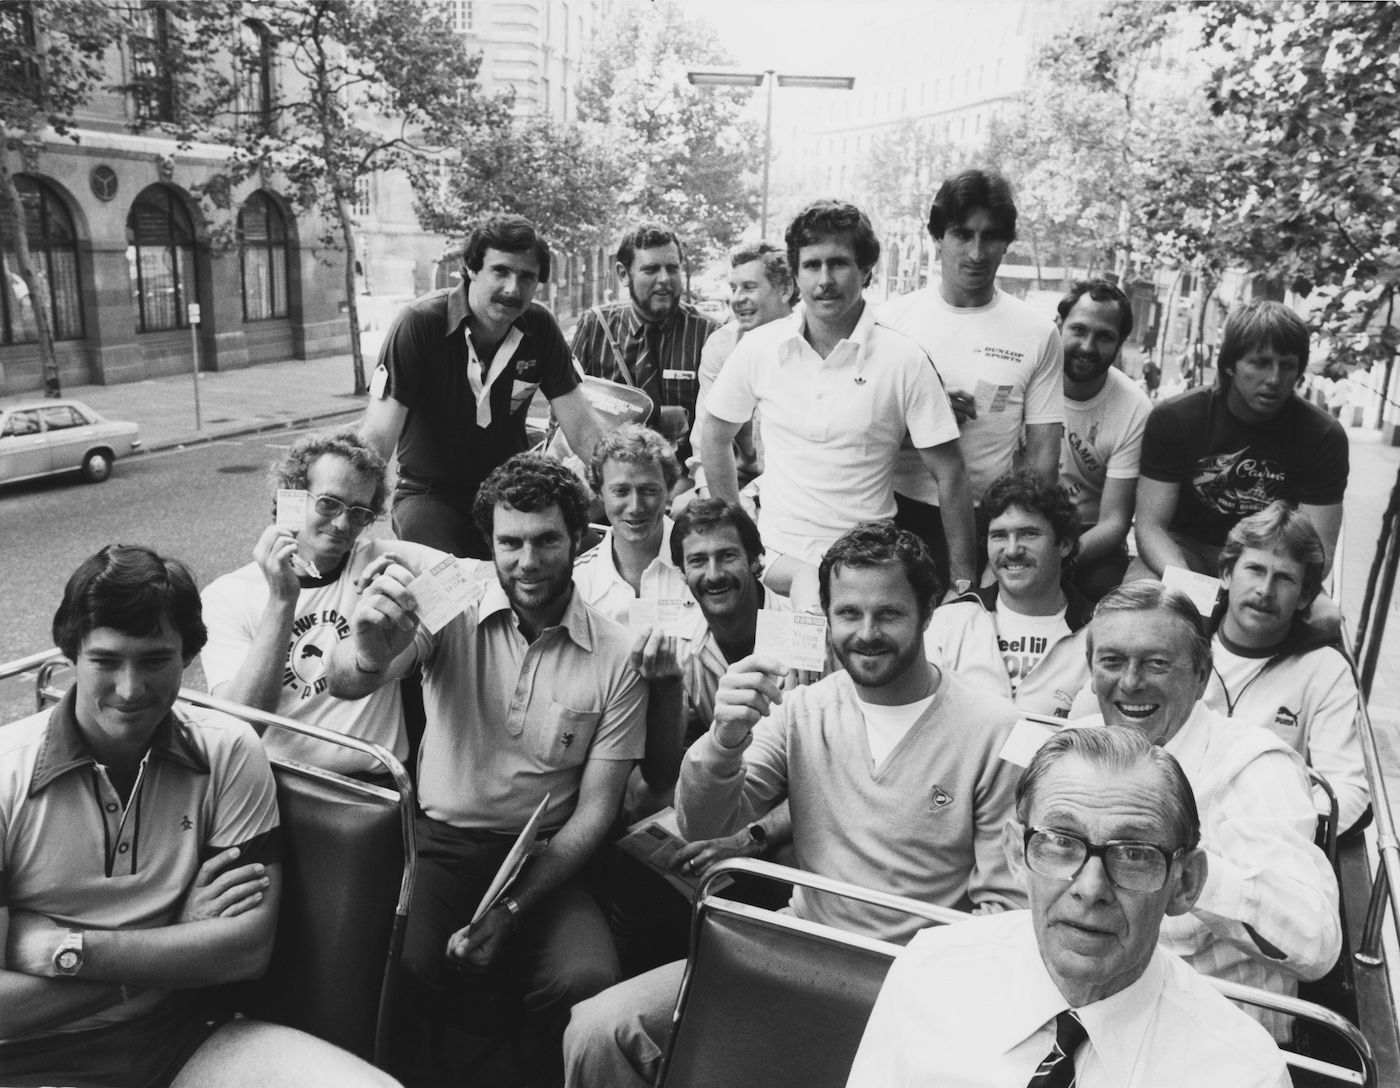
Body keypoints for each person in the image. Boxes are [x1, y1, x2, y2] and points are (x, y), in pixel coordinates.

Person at [563, 522, 1025, 1088]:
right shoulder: (804, 709)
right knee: (599, 1030)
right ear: (826, 617)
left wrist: (924, 1002)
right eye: (849, 614)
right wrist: (724, 739)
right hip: (794, 950)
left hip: (912, 979)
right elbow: (703, 821)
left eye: (889, 614)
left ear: (929, 612)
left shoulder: (992, 730)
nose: (867, 633)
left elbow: (1002, 913)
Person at [0, 546, 396, 1088]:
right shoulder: (6, 774)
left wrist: (65, 949)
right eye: (106, 661)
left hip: (177, 1035)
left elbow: (244, 951)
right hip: (23, 1057)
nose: (130, 688)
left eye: (156, 660)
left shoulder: (227, 749)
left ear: (188, 656)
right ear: (71, 654)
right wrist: (177, 940)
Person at [326, 454, 647, 1086]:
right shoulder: (452, 592)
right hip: (441, 848)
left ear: (579, 539)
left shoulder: (618, 652)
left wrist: (512, 908)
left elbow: (595, 813)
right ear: (490, 544)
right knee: (406, 971)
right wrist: (365, 648)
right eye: (511, 542)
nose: (528, 562)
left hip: (546, 864)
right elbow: (347, 679)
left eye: (547, 540)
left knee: (585, 982)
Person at [847, 726, 1289, 1088]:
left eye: (1134, 853)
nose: (1090, 888)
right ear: (1018, 856)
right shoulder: (929, 975)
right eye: (1060, 842)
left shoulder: (1242, 1073)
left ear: (1185, 883)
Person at [1082, 580, 1341, 1038]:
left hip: (1216, 1036)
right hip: (1092, 1018)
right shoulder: (1076, 749)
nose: (1129, 682)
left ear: (1201, 676)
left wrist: (1194, 878)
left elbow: (1315, 944)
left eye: (1157, 663)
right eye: (1112, 661)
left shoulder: (1252, 766)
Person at [698, 199, 976, 581]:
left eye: (838, 263)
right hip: (776, 566)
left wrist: (964, 585)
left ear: (865, 271)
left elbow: (952, 474)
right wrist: (739, 534)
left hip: (869, 571)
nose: (824, 280)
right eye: (812, 265)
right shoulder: (759, 348)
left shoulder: (904, 359)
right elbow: (714, 435)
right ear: (795, 275)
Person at [201, 429, 461, 779]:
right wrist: (282, 600)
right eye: (328, 503)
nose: (342, 525)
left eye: (359, 513)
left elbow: (472, 578)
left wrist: (412, 641)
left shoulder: (382, 563)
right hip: (269, 782)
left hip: (370, 786)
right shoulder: (227, 595)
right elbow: (238, 729)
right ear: (291, 499)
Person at [361, 213, 603, 558]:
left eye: (526, 277)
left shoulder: (540, 327)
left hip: (513, 492)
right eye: (501, 271)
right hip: (431, 496)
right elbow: (377, 437)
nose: (512, 289)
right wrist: (346, 510)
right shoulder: (420, 324)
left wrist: (623, 484)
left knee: (589, 563)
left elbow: (581, 427)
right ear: (472, 269)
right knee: (452, 586)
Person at [881, 168, 1063, 585]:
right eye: (963, 234)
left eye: (991, 236)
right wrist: (924, 409)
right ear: (937, 238)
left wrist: (1014, 540)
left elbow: (1042, 462)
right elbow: (860, 434)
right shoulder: (890, 322)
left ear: (1007, 243)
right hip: (897, 510)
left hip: (990, 519)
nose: (977, 253)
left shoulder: (1037, 332)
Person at [1132, 299, 1348, 580]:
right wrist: (1187, 583)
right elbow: (1151, 527)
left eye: (1287, 366)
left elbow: (1317, 553)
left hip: (1274, 564)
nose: (1274, 378)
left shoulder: (1323, 436)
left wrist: (1256, 588)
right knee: (1143, 597)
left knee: (1324, 621)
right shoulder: (1175, 418)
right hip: (1185, 552)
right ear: (1231, 364)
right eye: (1260, 363)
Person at [1207, 501, 1368, 834]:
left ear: (1306, 595)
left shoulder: (1325, 669)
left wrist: (1271, 832)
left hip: (1267, 844)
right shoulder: (1182, 645)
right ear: (1226, 574)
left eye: (1283, 579)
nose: (1264, 591)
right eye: (1254, 569)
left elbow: (1347, 791)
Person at [925, 471, 1092, 718]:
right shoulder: (949, 623)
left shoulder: (1097, 631)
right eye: (999, 536)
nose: (1012, 550)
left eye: (1029, 534)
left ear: (1065, 544)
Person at [570, 222, 719, 461]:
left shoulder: (709, 334)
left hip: (683, 483)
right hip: (609, 480)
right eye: (650, 270)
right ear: (622, 274)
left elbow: (722, 430)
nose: (664, 279)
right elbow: (566, 413)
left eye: (672, 268)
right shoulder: (595, 326)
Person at [1056, 279, 1153, 600]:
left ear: (1120, 343)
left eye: (1104, 337)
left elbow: (1114, 522)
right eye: (1079, 330)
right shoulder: (1028, 381)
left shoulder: (1134, 407)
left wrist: (1058, 562)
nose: (1087, 346)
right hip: (1020, 524)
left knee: (1106, 590)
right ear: (1059, 326)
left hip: (1088, 533)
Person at [690, 241, 796, 483]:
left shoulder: (810, 347)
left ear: (785, 290)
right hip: (732, 479)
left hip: (792, 486)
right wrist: (712, 499)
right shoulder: (721, 345)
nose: (737, 299)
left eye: (749, 287)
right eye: (734, 288)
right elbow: (705, 444)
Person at [573, 423, 691, 626]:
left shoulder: (703, 564)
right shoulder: (577, 581)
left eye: (649, 490)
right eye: (621, 491)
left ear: (669, 489)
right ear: (599, 492)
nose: (635, 507)